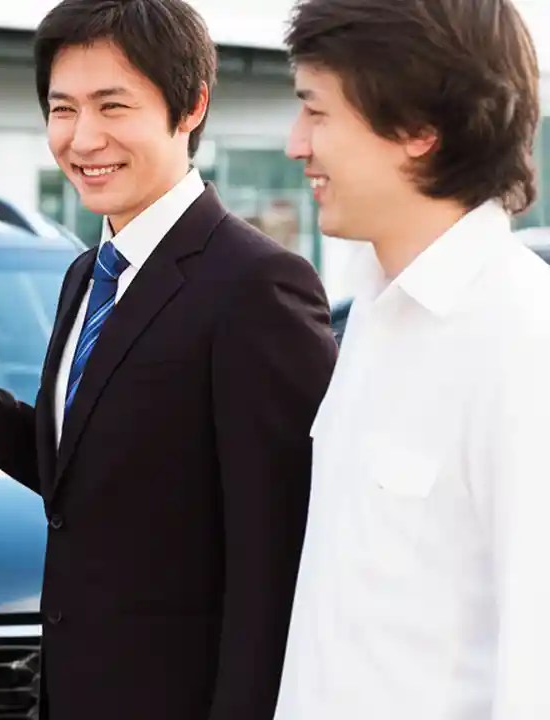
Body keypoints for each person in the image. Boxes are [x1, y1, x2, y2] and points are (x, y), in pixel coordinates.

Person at [0, 0, 337, 717]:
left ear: (190, 106)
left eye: (113, 106)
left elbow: (277, 567)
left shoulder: (258, 286)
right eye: (62, 108)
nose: (83, 139)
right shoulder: (88, 274)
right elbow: (68, 471)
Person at [275, 2, 550, 719]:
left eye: (317, 112)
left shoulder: (524, 339)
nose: (295, 144)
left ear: (418, 129)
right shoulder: (371, 313)